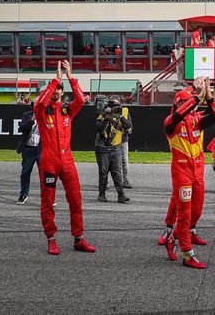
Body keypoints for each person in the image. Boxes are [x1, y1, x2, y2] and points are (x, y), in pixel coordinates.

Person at [33, 60, 95, 255]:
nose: (57, 90)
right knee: (47, 201)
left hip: (67, 161)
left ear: (63, 91)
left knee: (76, 199)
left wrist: (70, 77)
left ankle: (79, 238)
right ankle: (51, 239)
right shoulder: (43, 111)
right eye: (55, 88)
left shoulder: (67, 110)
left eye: (60, 88)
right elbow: (40, 103)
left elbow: (81, 100)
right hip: (49, 162)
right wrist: (55, 79)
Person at [163, 77, 215, 269]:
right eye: (188, 100)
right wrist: (197, 97)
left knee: (197, 212)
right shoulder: (171, 122)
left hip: (198, 172)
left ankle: (173, 236)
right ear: (180, 103)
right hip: (182, 173)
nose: (194, 102)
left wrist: (209, 95)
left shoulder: (198, 120)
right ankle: (187, 254)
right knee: (185, 214)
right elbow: (179, 115)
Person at [95, 98, 131, 203]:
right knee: (103, 172)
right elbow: (100, 130)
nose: (116, 110)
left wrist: (119, 116)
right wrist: (107, 118)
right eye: (114, 108)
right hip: (102, 148)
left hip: (116, 148)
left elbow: (128, 126)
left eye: (118, 108)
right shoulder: (101, 117)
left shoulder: (121, 117)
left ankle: (121, 194)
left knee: (117, 172)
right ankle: (101, 194)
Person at [16, 102, 40, 204]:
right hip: (28, 149)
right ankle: (23, 194)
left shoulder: (48, 115)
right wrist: (32, 120)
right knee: (25, 173)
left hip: (42, 149)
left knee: (45, 174)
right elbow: (21, 128)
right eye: (36, 105)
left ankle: (48, 197)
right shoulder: (27, 115)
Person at [114, 96, 133, 190]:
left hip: (123, 139)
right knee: (111, 162)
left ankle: (126, 180)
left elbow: (130, 126)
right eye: (114, 105)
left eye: (118, 105)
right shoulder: (108, 113)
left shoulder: (125, 111)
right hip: (112, 140)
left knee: (124, 160)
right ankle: (108, 182)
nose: (116, 108)